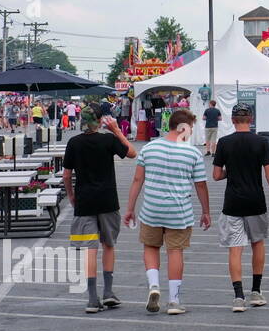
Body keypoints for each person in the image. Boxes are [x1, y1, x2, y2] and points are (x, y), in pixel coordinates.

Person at [124, 109, 210, 316]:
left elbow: (137, 180)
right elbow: (200, 185)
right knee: (175, 251)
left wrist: (130, 209)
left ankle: (154, 286)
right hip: (179, 212)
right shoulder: (192, 153)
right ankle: (174, 300)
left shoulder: (149, 148)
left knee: (151, 247)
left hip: (151, 210)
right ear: (184, 128)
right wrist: (206, 211)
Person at [64, 108, 138, 313]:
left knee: (90, 249)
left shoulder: (74, 143)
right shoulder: (108, 140)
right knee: (108, 244)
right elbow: (132, 153)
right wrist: (117, 130)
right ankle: (108, 292)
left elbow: (67, 175)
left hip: (85, 201)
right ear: (99, 121)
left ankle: (92, 299)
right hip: (107, 200)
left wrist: (71, 195)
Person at [212, 104, 269, 312]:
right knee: (257, 244)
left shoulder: (224, 143)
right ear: (250, 119)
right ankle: (256, 291)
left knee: (235, 249)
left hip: (233, 202)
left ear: (233, 120)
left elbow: (216, 175)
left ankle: (238, 297)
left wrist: (230, 172)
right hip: (256, 201)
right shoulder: (261, 142)